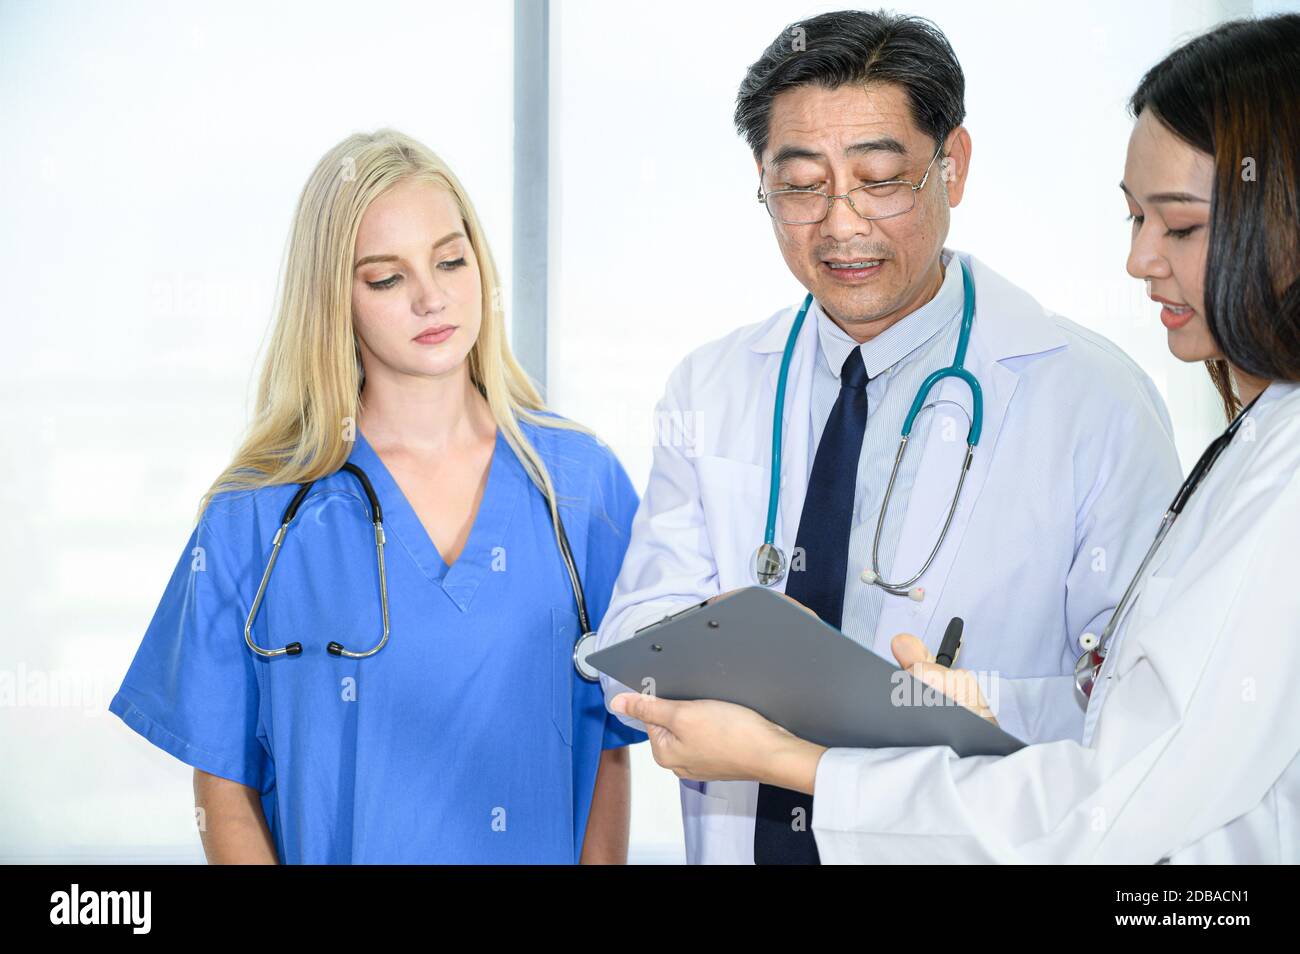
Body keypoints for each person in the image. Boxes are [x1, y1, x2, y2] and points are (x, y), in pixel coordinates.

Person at [611, 13, 1300, 864]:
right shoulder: (710, 384)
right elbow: (628, 647)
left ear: (953, 166)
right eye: (801, 185)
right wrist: (725, 643)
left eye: (880, 177)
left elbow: (1120, 750)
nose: (841, 224)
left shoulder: (1098, 398)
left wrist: (851, 741)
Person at [110, 129, 645, 864]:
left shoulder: (581, 486)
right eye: (386, 278)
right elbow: (223, 785)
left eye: (451, 260)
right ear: (335, 298)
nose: (432, 297)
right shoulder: (257, 513)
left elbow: (609, 751)